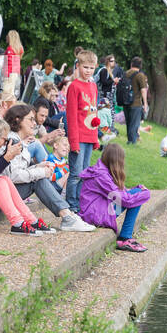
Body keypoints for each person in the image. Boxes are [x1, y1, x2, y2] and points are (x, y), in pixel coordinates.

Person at [0, 104, 93, 231]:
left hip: (7, 193)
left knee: (40, 177)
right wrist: (41, 171)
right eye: (31, 119)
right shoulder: (12, 142)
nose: (34, 123)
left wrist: (39, 166)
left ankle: (68, 215)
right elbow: (12, 176)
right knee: (40, 178)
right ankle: (67, 216)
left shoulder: (19, 141)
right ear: (17, 120)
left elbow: (16, 172)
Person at [78, 142, 150, 252]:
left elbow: (120, 193)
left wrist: (138, 189)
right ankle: (125, 237)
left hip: (94, 211)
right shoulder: (101, 175)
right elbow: (125, 200)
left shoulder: (103, 171)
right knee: (136, 197)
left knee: (137, 193)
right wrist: (146, 193)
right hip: (95, 215)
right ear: (117, 161)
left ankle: (125, 236)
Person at [64, 49, 100, 213]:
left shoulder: (93, 86)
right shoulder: (74, 86)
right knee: (76, 174)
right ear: (78, 66)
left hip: (89, 136)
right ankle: (71, 206)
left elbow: (94, 113)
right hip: (78, 137)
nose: (88, 71)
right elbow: (71, 117)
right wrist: (73, 142)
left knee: (85, 174)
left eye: (91, 68)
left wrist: (96, 137)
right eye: (85, 67)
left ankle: (80, 205)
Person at [124, 56, 149, 144]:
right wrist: (145, 103)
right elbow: (143, 89)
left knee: (128, 122)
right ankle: (132, 141)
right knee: (134, 124)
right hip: (136, 103)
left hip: (125, 101)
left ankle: (129, 140)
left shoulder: (125, 73)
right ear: (140, 66)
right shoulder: (140, 75)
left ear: (131, 64)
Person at [0, 29, 23, 99]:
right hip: (16, 73)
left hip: (9, 74)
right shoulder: (19, 49)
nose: (6, 37)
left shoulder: (10, 49)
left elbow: (9, 64)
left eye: (8, 35)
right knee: (12, 94)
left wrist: (5, 75)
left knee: (7, 95)